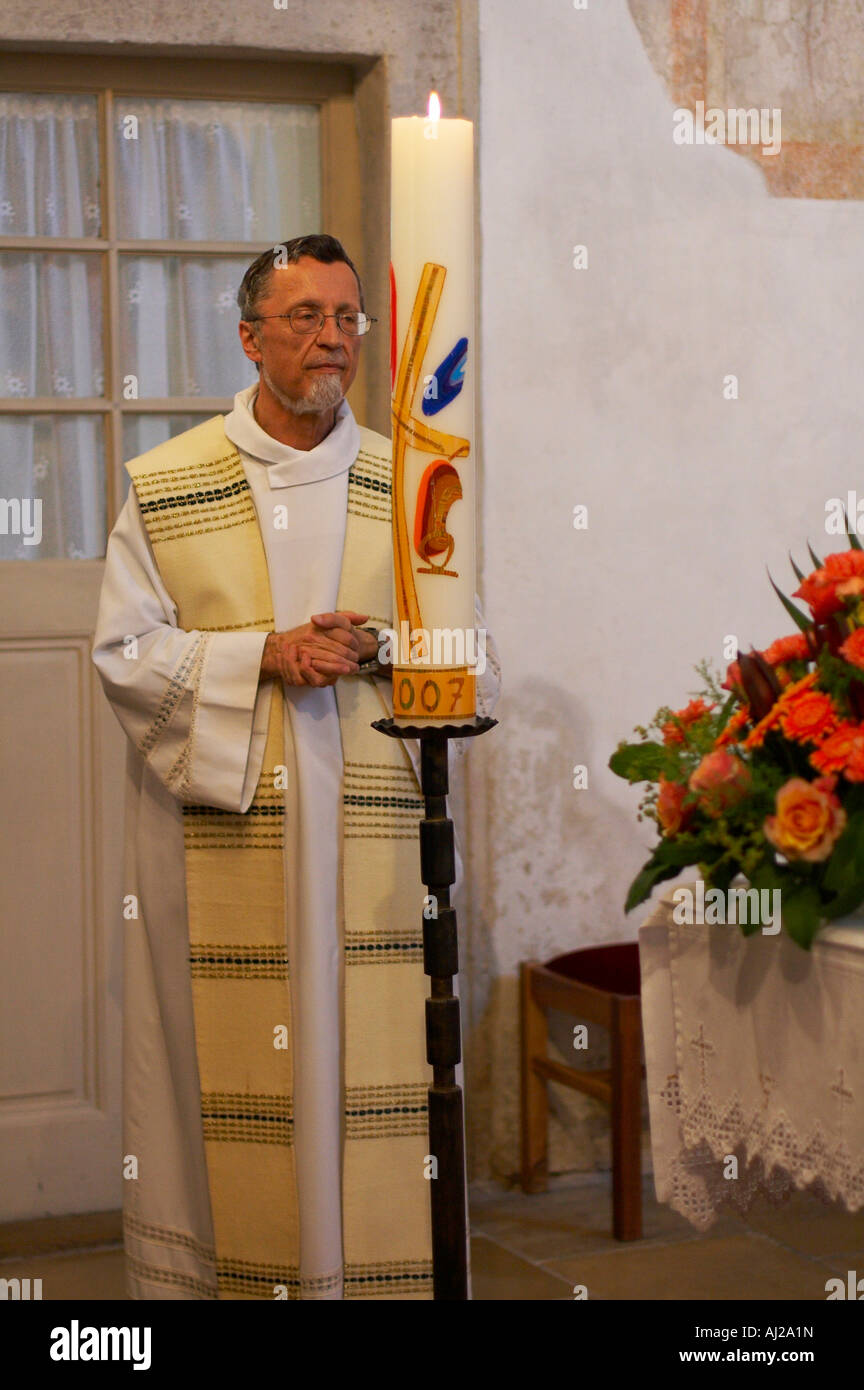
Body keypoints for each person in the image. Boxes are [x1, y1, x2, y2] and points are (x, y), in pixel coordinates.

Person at [92, 233, 500, 1301]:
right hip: (225, 831)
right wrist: (264, 656)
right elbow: (124, 654)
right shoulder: (169, 481)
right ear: (248, 336)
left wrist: (384, 648)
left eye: (348, 318)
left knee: (370, 1077)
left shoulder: (417, 482)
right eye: (305, 317)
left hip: (373, 846)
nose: (332, 338)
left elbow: (478, 652)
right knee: (232, 1084)